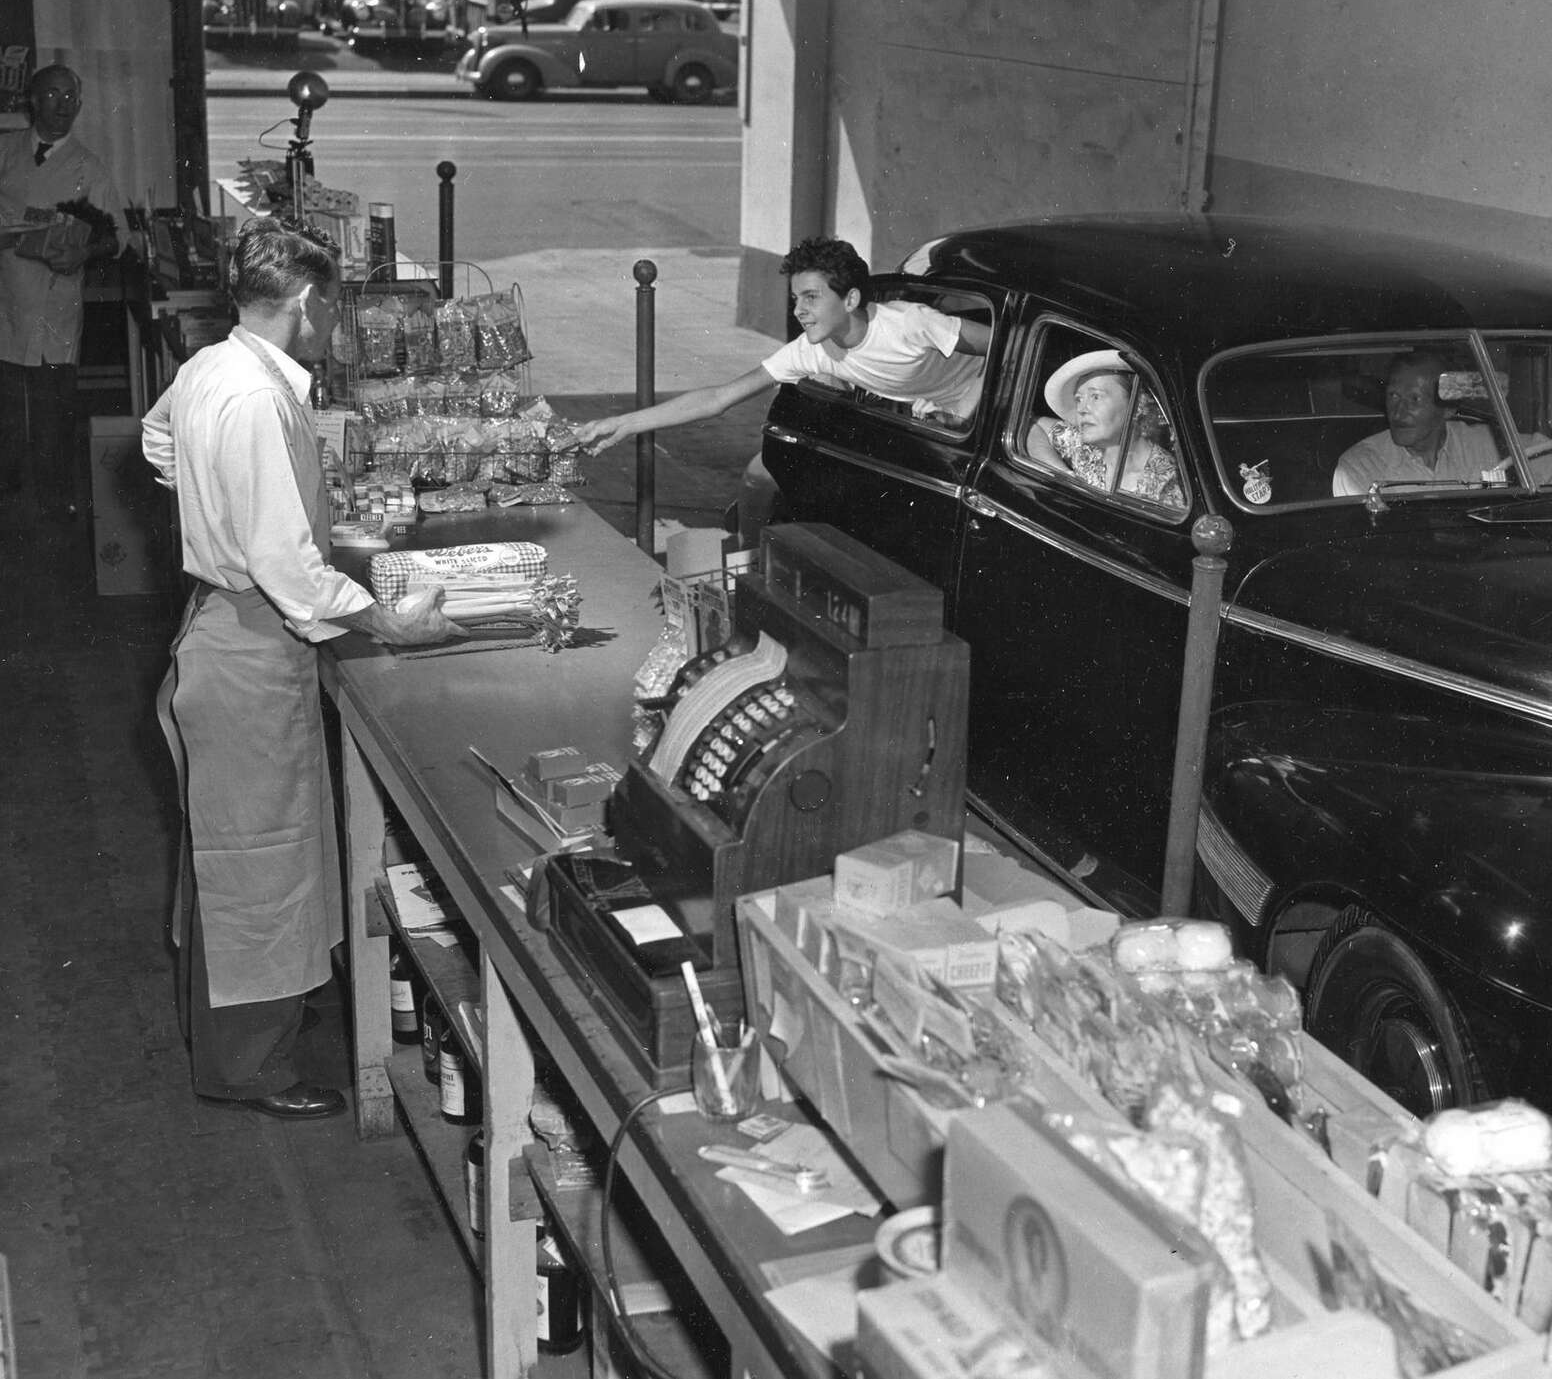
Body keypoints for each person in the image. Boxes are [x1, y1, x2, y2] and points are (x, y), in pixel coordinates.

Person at [144, 218, 462, 1120]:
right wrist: (387, 619)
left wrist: (204, 499)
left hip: (227, 625)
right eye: (334, 309)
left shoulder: (214, 365)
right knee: (257, 860)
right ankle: (250, 1064)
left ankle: (262, 1024)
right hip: (250, 637)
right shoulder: (255, 399)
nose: (336, 327)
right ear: (310, 302)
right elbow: (287, 565)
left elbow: (157, 439)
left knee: (249, 847)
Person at [567, 236, 990, 540]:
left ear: (850, 299)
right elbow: (718, 398)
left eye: (810, 297)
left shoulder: (910, 323)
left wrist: (969, 404)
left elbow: (1011, 345)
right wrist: (623, 423)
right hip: (943, 427)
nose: (799, 311)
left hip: (994, 400)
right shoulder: (814, 350)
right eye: (795, 299)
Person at [0, 64, 126, 519]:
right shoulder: (6, 152)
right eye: (52, 95)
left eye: (71, 96)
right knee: (7, 421)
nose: (62, 105)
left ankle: (55, 517)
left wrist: (83, 253)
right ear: (32, 100)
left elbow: (118, 238)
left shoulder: (86, 167)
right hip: (4, 307)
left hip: (55, 307)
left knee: (54, 419)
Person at [1332, 351, 1552, 497]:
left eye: (1415, 399)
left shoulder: (1491, 443)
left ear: (1447, 411)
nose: (1399, 410)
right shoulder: (1359, 467)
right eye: (1393, 395)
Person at [1025, 349, 1186, 509]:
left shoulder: (1169, 483)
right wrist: (1064, 476)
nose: (1082, 409)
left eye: (1096, 396)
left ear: (1137, 404)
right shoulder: (1085, 449)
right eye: (1079, 399)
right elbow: (1031, 425)